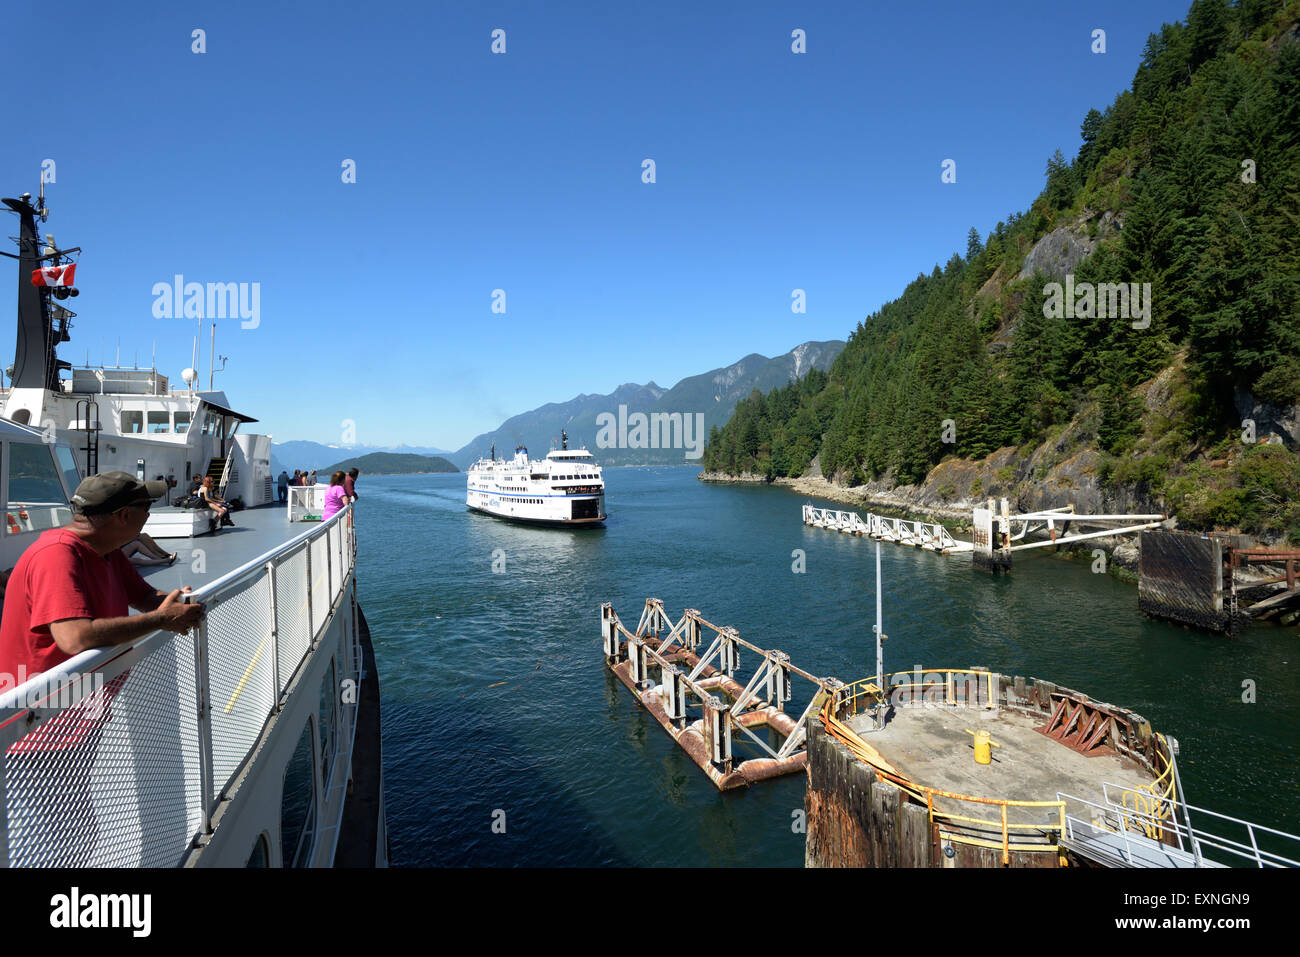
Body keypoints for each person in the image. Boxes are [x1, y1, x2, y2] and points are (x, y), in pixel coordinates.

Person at [0, 472, 205, 865]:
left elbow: (145, 597)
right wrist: (164, 620)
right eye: (147, 507)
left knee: (76, 830)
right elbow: (74, 638)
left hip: (76, 719)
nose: (151, 513)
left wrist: (180, 605)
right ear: (124, 515)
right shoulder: (57, 555)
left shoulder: (105, 551)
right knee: (47, 843)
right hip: (40, 729)